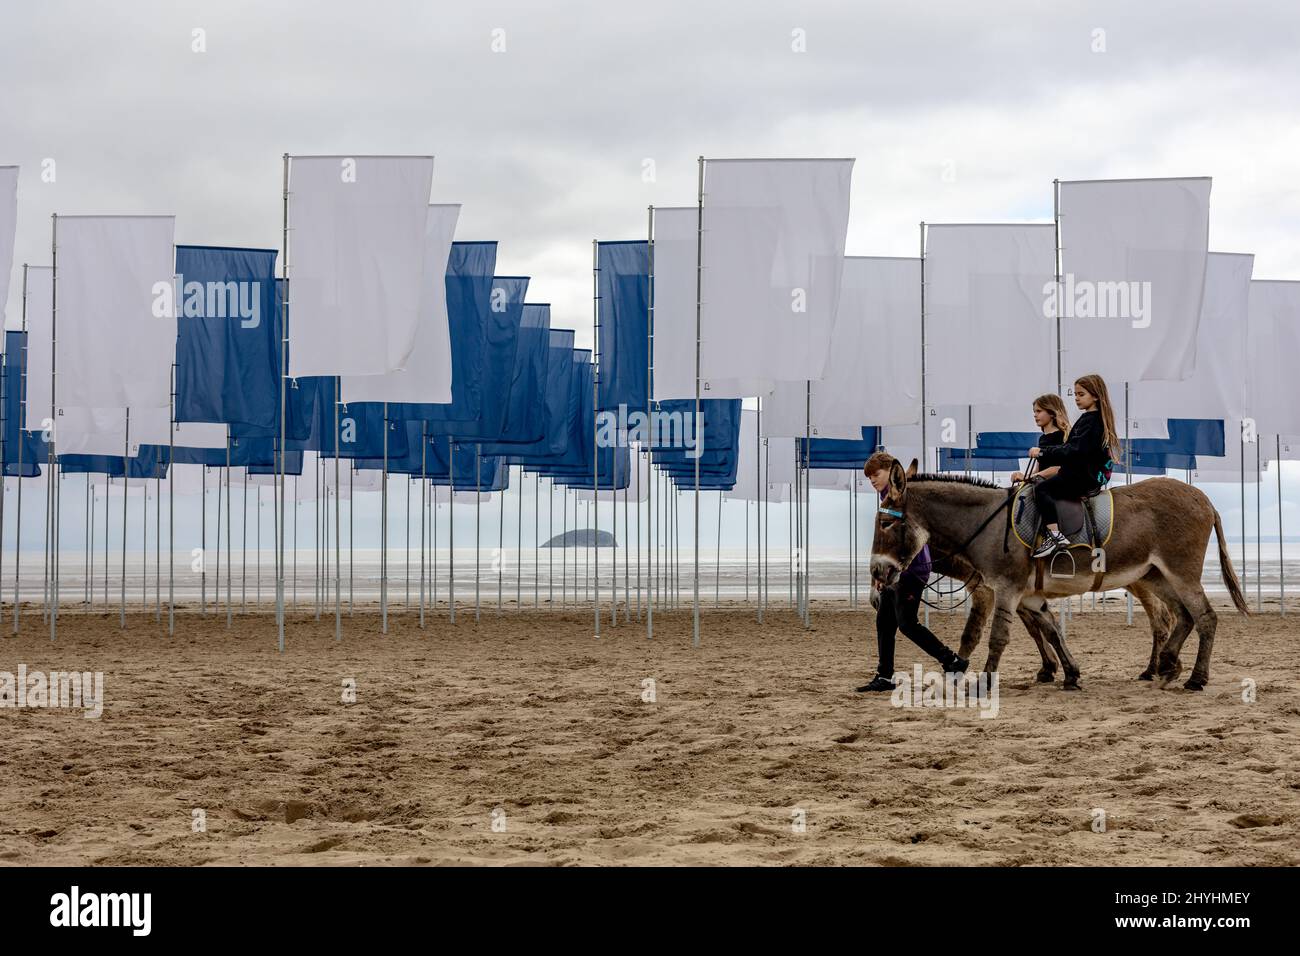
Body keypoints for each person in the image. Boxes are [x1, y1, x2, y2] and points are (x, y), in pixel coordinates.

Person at [856, 452, 970, 693]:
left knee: (907, 623)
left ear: (890, 471)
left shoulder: (902, 496)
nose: (872, 480)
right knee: (884, 622)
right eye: (868, 477)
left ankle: (952, 661)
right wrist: (878, 574)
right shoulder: (888, 495)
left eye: (876, 475)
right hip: (894, 570)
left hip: (912, 568)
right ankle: (885, 676)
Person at [1026, 374, 1120, 558]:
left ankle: (1055, 535)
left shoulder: (1092, 421)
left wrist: (1043, 452)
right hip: (1082, 473)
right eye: (1075, 394)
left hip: (1083, 476)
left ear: (1095, 396)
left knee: (1042, 489)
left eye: (1081, 394)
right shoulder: (1089, 418)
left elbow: (1074, 450)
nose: (1076, 398)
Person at [1010, 393, 1071, 484]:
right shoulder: (1042, 438)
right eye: (1034, 412)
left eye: (1039, 411)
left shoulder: (1061, 436)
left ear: (1052, 413)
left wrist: (1028, 477)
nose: (1035, 415)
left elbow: (1058, 468)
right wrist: (1024, 476)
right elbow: (1038, 470)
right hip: (1043, 484)